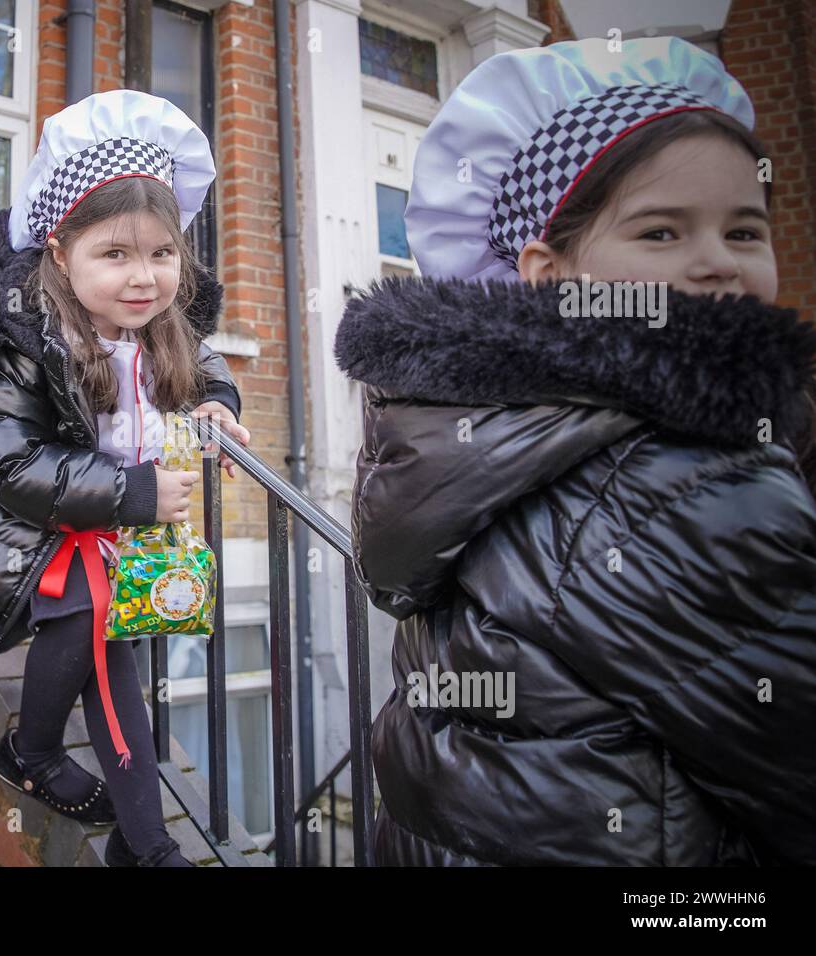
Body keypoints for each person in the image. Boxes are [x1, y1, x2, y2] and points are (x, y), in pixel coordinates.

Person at [335, 36, 816, 866]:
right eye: (661, 233)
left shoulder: (491, 439)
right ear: (548, 272)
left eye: (745, 230)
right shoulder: (695, 479)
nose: (716, 264)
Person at [0, 90, 249, 867]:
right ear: (62, 254)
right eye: (117, 255)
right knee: (93, 612)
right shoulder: (17, 338)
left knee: (111, 643)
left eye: (163, 254)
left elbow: (203, 364)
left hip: (92, 514)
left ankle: (146, 846)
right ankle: (34, 753)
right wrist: (135, 494)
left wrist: (218, 404)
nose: (145, 279)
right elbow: (12, 465)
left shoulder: (159, 322)